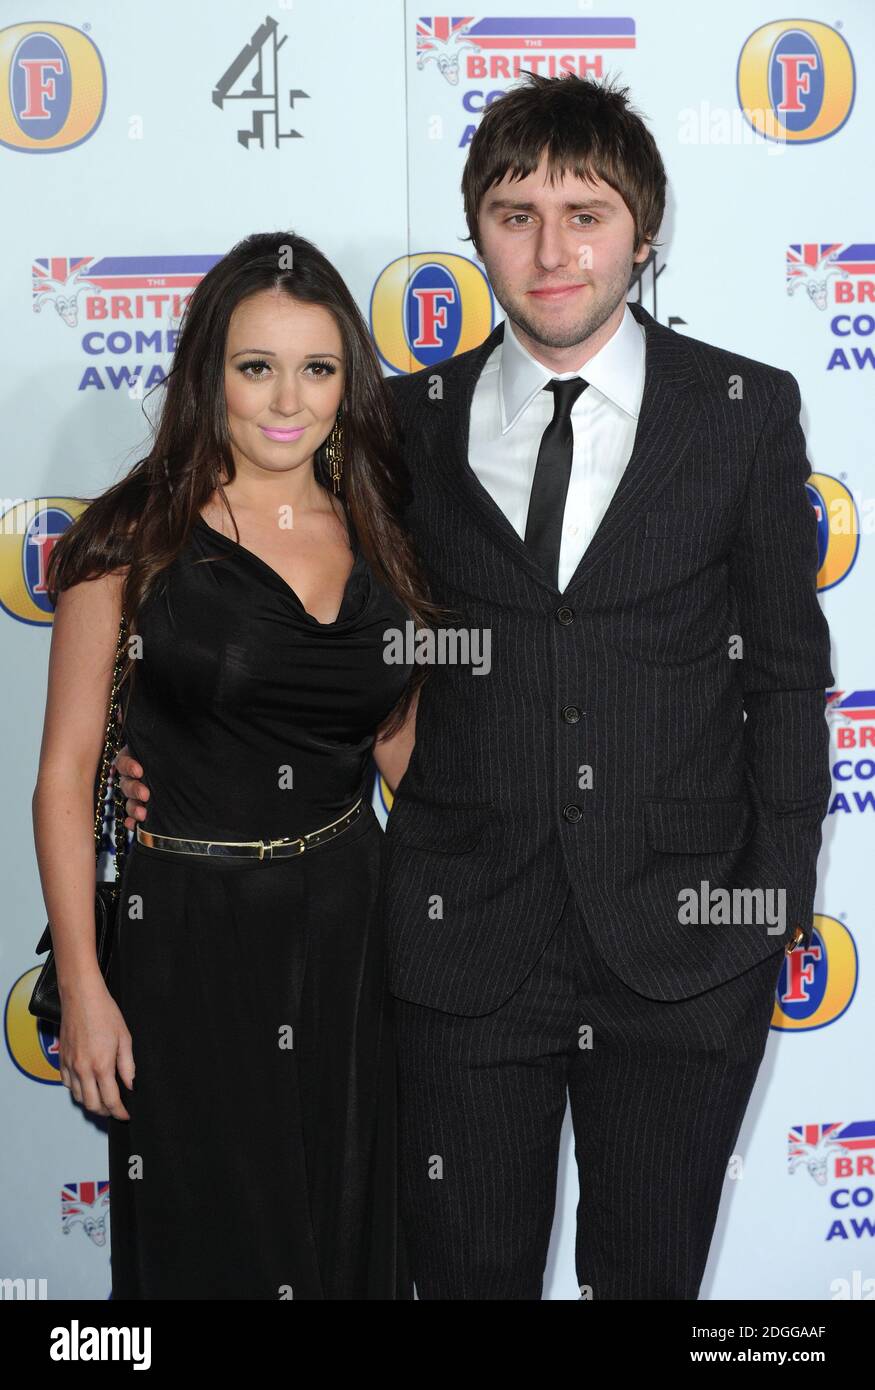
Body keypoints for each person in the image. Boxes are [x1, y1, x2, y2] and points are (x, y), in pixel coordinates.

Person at [118, 74, 834, 1300]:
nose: (552, 249)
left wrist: (763, 914)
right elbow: (303, 631)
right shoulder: (401, 427)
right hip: (459, 956)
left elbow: (782, 677)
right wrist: (177, 765)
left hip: (681, 960)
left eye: (585, 211)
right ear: (477, 237)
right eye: (515, 213)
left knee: (647, 1283)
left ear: (641, 232)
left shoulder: (741, 412)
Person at [32, 231, 439, 1299]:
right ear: (209, 373)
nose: (285, 399)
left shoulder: (380, 534)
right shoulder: (133, 539)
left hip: (350, 929)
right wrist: (83, 985)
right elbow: (67, 773)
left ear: (348, 380)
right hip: (188, 946)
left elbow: (401, 747)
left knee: (348, 1225)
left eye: (317, 368)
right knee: (211, 1244)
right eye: (255, 367)